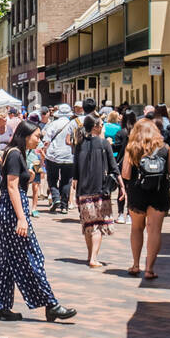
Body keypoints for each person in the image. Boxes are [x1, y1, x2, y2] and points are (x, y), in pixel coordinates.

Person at [0, 121, 75, 323]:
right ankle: (51, 304)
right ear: (25, 135)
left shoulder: (15, 153)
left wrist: (29, 176)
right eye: (37, 136)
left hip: (7, 211)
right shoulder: (16, 154)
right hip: (13, 211)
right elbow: (11, 187)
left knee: (7, 262)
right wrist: (21, 218)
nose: (39, 140)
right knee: (32, 257)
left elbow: (14, 182)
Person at [122, 118, 170, 279]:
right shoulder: (165, 148)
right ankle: (149, 269)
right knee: (154, 230)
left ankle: (135, 264)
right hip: (159, 191)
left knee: (137, 229)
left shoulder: (131, 148)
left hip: (137, 191)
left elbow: (125, 173)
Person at [74, 114, 121, 269]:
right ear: (95, 126)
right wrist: (122, 187)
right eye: (101, 124)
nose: (103, 126)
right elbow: (114, 168)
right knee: (98, 226)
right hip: (100, 189)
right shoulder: (104, 144)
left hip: (83, 190)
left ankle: (90, 255)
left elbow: (75, 172)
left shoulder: (79, 144)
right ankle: (94, 258)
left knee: (88, 225)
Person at [40, 103, 77, 213]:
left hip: (53, 155)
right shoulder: (74, 124)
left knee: (52, 178)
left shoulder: (53, 124)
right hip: (69, 156)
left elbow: (46, 140)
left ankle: (56, 197)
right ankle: (64, 206)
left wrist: (43, 153)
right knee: (66, 181)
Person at [111, 109, 138, 224]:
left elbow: (115, 148)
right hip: (135, 164)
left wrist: (110, 143)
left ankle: (121, 214)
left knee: (121, 189)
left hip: (122, 164)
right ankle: (130, 215)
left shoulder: (120, 132)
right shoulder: (137, 133)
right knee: (132, 190)